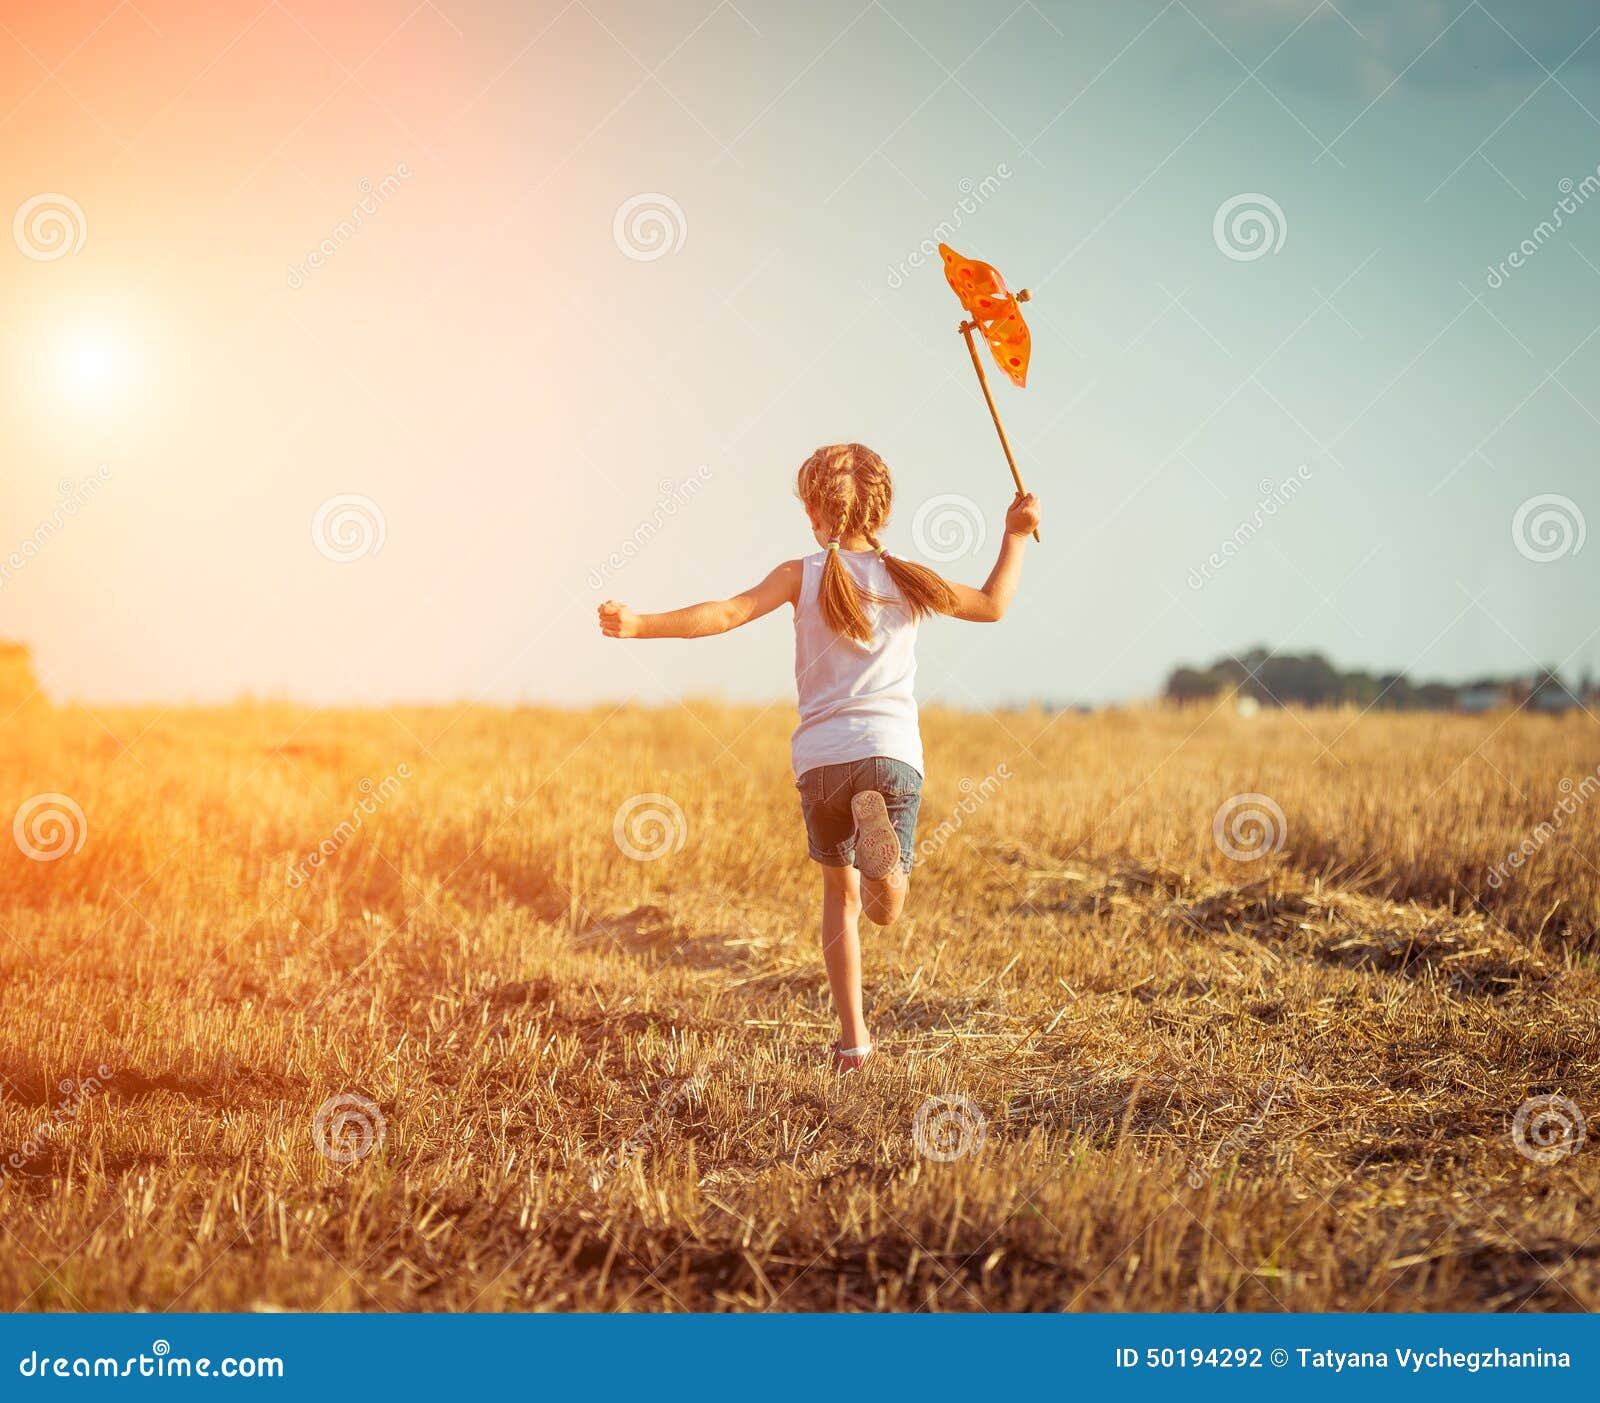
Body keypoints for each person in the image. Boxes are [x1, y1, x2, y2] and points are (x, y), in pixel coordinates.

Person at [598, 443, 1040, 1071]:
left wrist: (640, 624)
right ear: (883, 508)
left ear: (812, 510)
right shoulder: (911, 578)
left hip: (824, 762)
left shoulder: (799, 574)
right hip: (891, 756)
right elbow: (993, 605)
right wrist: (1015, 535)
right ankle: (883, 855)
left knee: (843, 898)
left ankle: (854, 1043)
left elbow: (724, 614)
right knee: (887, 910)